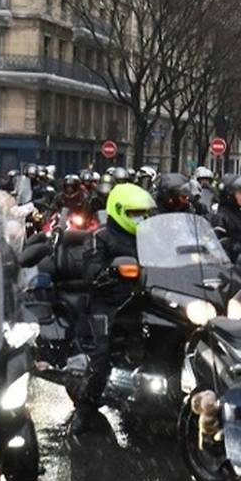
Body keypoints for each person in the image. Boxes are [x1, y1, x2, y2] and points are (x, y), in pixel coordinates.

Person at [72, 183, 156, 434]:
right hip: (110, 303)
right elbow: (91, 271)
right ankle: (85, 407)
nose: (142, 219)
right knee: (103, 352)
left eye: (145, 213)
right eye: (135, 214)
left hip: (144, 299)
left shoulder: (150, 236)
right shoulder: (100, 238)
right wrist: (110, 272)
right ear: (119, 211)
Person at [210, 174, 241, 259]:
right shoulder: (221, 217)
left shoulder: (240, 213)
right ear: (229, 195)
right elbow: (219, 245)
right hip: (230, 263)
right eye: (240, 193)